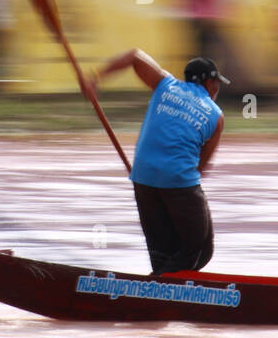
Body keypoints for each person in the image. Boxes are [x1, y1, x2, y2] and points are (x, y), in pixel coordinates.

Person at [90, 49, 225, 276]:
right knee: (200, 250)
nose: (218, 90)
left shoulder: (166, 84)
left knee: (162, 252)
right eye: (217, 84)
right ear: (209, 83)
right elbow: (201, 168)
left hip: (143, 178)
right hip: (178, 182)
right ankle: (161, 285)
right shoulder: (216, 115)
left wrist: (95, 78)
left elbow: (134, 55)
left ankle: (158, 285)